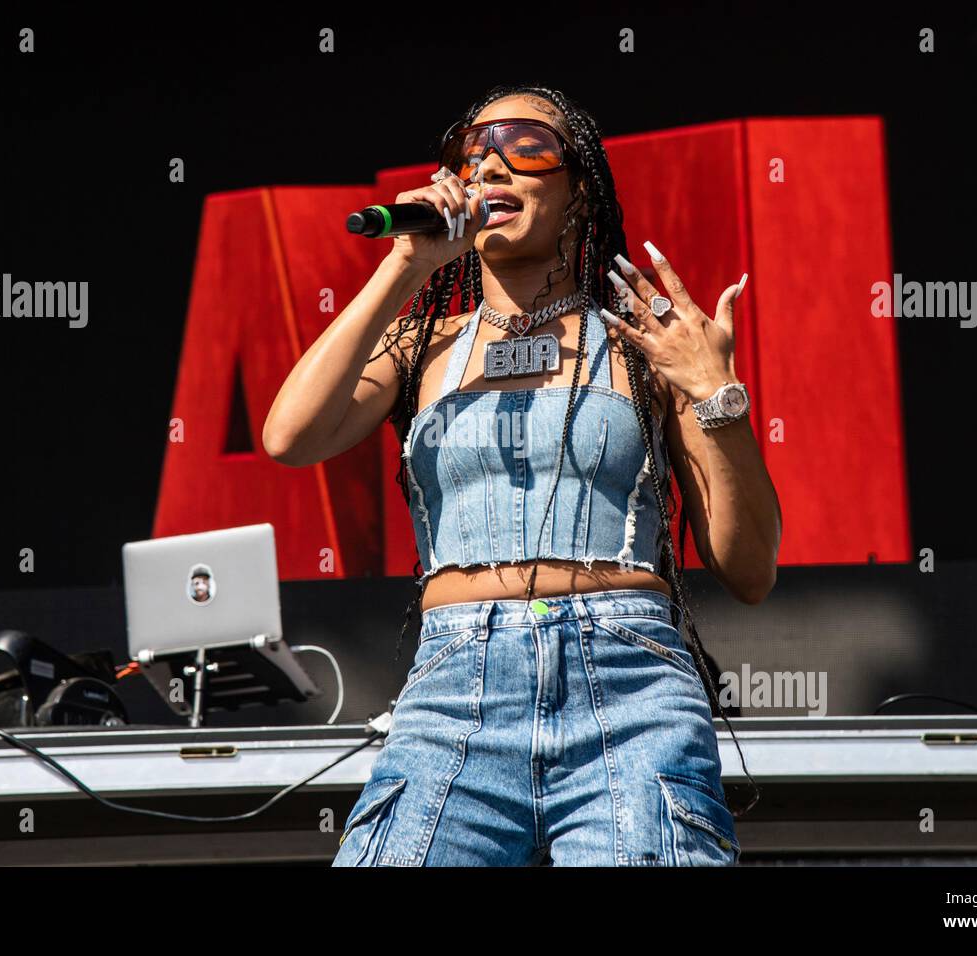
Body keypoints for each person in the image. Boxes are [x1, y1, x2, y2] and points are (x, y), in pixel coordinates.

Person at [264, 84, 781, 866]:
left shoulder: (647, 346)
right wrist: (407, 263)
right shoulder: (422, 345)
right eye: (472, 155)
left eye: (525, 147)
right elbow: (288, 437)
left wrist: (718, 398)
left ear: (577, 191)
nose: (492, 165)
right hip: (454, 692)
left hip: (629, 685)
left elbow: (750, 569)